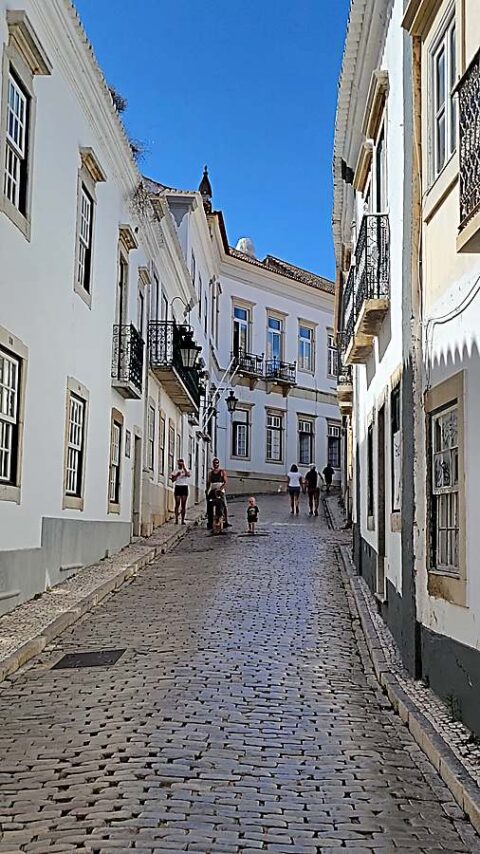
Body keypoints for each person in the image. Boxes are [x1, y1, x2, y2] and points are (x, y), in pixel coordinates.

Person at [206, 458, 231, 529]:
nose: (215, 464)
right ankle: (210, 521)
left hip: (220, 490)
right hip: (213, 490)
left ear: (218, 464)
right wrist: (207, 490)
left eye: (217, 463)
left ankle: (226, 520)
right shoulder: (210, 473)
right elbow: (209, 482)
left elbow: (225, 482)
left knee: (224, 504)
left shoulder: (222, 472)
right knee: (210, 505)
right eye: (214, 463)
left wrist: (220, 489)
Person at [170, 458, 190, 524]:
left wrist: (184, 468)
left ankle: (182, 520)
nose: (181, 464)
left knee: (183, 504)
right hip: (178, 486)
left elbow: (188, 475)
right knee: (177, 503)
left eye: (182, 463)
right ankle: (176, 519)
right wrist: (176, 475)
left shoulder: (185, 470)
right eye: (180, 463)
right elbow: (172, 480)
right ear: (178, 463)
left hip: (184, 486)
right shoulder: (175, 470)